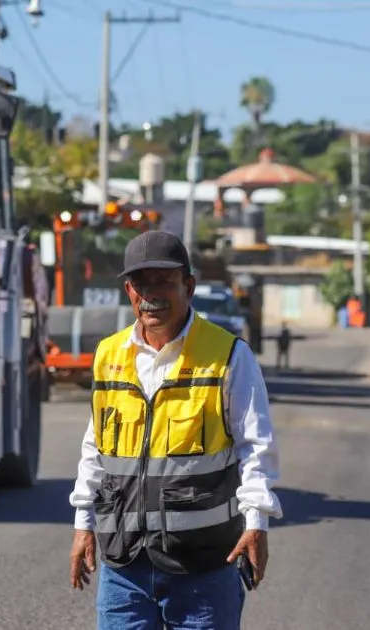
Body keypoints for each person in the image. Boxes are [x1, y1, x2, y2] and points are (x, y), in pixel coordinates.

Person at [67, 230, 283, 630]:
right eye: (140, 284)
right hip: (124, 566)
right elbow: (95, 445)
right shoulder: (108, 354)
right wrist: (84, 524)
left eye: (163, 282)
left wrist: (257, 522)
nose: (150, 294)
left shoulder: (229, 355)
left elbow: (256, 446)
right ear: (129, 290)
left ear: (189, 286)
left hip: (203, 566)